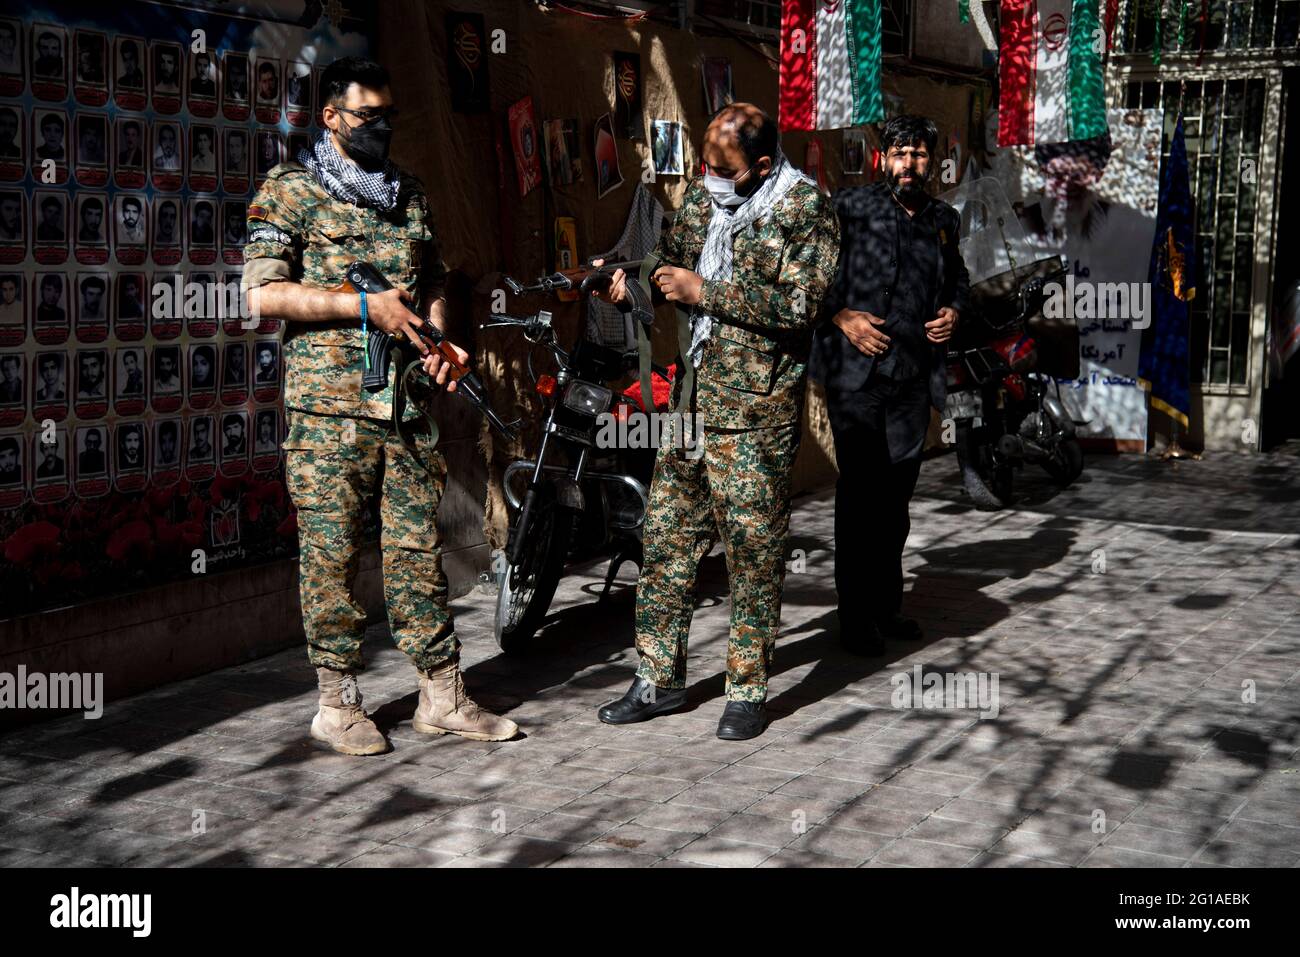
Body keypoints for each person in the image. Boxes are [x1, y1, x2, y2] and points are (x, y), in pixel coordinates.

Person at [242, 55, 518, 755]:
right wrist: (361, 306)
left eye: (390, 113)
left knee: (417, 550)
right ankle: (337, 703)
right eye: (369, 115)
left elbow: (429, 278)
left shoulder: (409, 192)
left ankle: (442, 692)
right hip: (328, 413)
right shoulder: (290, 191)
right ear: (331, 117)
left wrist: (440, 340)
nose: (383, 126)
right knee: (332, 557)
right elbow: (262, 294)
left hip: (406, 403)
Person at [593, 103, 840, 741]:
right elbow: (667, 267)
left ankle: (747, 687)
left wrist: (709, 293)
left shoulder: (804, 209)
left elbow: (804, 303)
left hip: (755, 410)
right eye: (704, 166)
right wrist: (628, 284)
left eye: (722, 169)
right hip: (690, 403)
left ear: (760, 167)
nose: (708, 179)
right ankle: (658, 677)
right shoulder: (706, 198)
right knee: (668, 539)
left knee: (753, 556)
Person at [809, 115, 969, 655]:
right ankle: (854, 618)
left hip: (911, 378)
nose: (909, 164)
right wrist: (843, 318)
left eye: (919, 155)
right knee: (859, 494)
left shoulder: (943, 219)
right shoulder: (850, 209)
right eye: (900, 153)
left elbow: (958, 281)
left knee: (896, 497)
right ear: (884, 159)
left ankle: (886, 605)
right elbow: (811, 273)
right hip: (855, 379)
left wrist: (953, 309)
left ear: (931, 161)